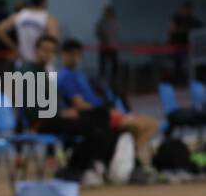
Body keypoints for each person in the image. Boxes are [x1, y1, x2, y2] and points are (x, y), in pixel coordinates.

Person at [56, 39, 158, 184]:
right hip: (97, 116)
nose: (75, 58)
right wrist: (106, 111)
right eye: (72, 54)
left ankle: (129, 161)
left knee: (152, 123)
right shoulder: (65, 77)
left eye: (78, 55)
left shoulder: (79, 75)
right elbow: (80, 104)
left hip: (104, 112)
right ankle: (133, 163)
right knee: (139, 126)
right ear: (63, 55)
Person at [21, 35, 113, 183]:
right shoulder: (28, 72)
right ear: (36, 50)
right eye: (45, 50)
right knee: (92, 128)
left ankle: (95, 163)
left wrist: (62, 112)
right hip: (40, 122)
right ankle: (74, 168)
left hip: (52, 117)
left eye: (51, 51)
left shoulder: (43, 71)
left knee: (101, 115)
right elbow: (32, 110)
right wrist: (60, 113)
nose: (48, 54)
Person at [0, 0, 58, 68]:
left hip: (23, 62)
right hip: (42, 64)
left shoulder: (20, 15)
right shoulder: (48, 19)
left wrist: (15, 47)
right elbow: (53, 40)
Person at [94, 5, 120, 84]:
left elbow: (116, 34)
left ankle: (114, 79)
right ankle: (102, 80)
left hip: (113, 46)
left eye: (109, 13)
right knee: (103, 64)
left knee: (114, 64)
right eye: (107, 13)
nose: (108, 14)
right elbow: (98, 32)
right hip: (104, 46)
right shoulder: (101, 22)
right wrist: (103, 37)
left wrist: (113, 41)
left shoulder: (114, 22)